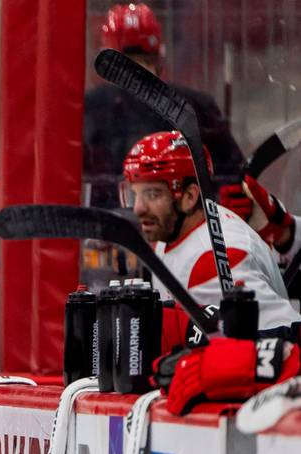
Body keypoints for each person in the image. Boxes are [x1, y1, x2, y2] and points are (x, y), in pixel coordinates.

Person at [122, 131, 301, 413]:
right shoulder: (170, 232)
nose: (138, 208)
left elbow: (283, 341)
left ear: (190, 196)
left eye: (153, 193)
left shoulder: (216, 256)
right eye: (134, 193)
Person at [84, 3, 245, 210]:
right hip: (163, 227)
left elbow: (233, 180)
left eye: (141, 62)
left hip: (118, 229)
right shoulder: (195, 106)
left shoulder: (91, 109)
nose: (135, 80)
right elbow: (232, 177)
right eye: (128, 64)